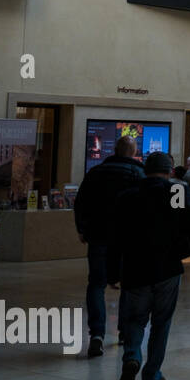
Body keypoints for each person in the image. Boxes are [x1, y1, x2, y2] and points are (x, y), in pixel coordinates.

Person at [109, 152, 190, 380]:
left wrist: (112, 271)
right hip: (167, 267)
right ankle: (151, 376)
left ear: (145, 169)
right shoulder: (174, 192)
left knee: (134, 320)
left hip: (135, 267)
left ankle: (131, 356)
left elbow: (116, 238)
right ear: (170, 171)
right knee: (161, 324)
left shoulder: (129, 195)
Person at [73, 136, 144, 358]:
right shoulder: (139, 175)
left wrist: (82, 229)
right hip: (128, 240)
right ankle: (124, 331)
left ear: (114, 150)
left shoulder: (96, 173)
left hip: (99, 237)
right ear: (133, 153)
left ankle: (96, 335)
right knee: (128, 284)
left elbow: (81, 202)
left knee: (96, 284)